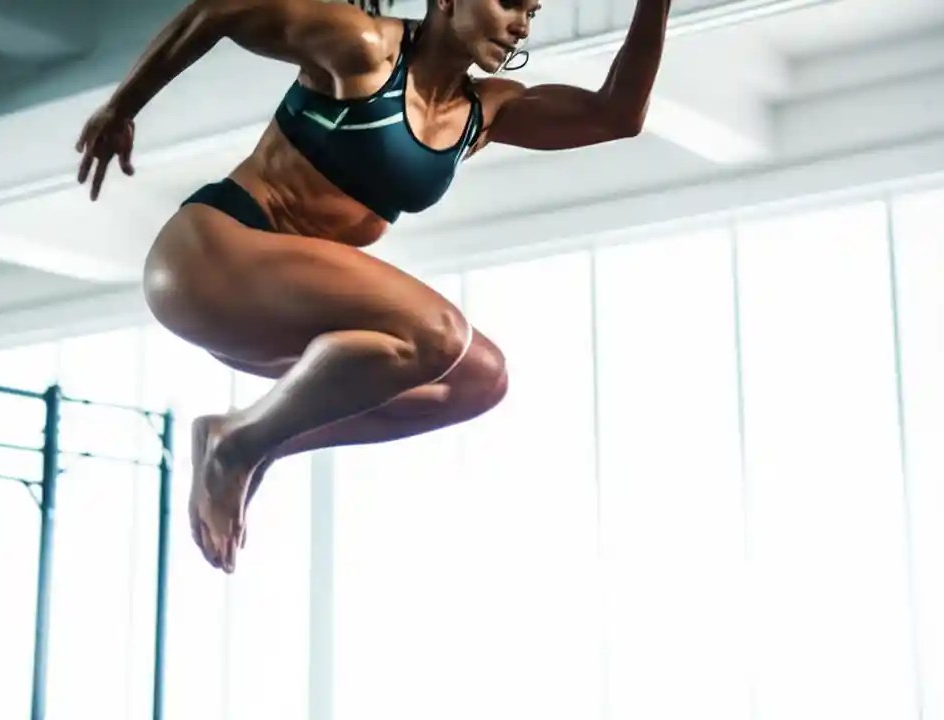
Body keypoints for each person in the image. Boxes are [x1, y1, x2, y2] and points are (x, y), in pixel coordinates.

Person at [75, 0, 672, 572]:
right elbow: (222, 10)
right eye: (509, 3)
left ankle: (259, 437)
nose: (521, 25)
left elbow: (617, 115)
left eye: (531, 13)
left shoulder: (484, 113)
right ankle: (238, 446)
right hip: (207, 261)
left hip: (275, 323)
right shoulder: (363, 49)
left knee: (479, 380)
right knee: (438, 334)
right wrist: (120, 109)